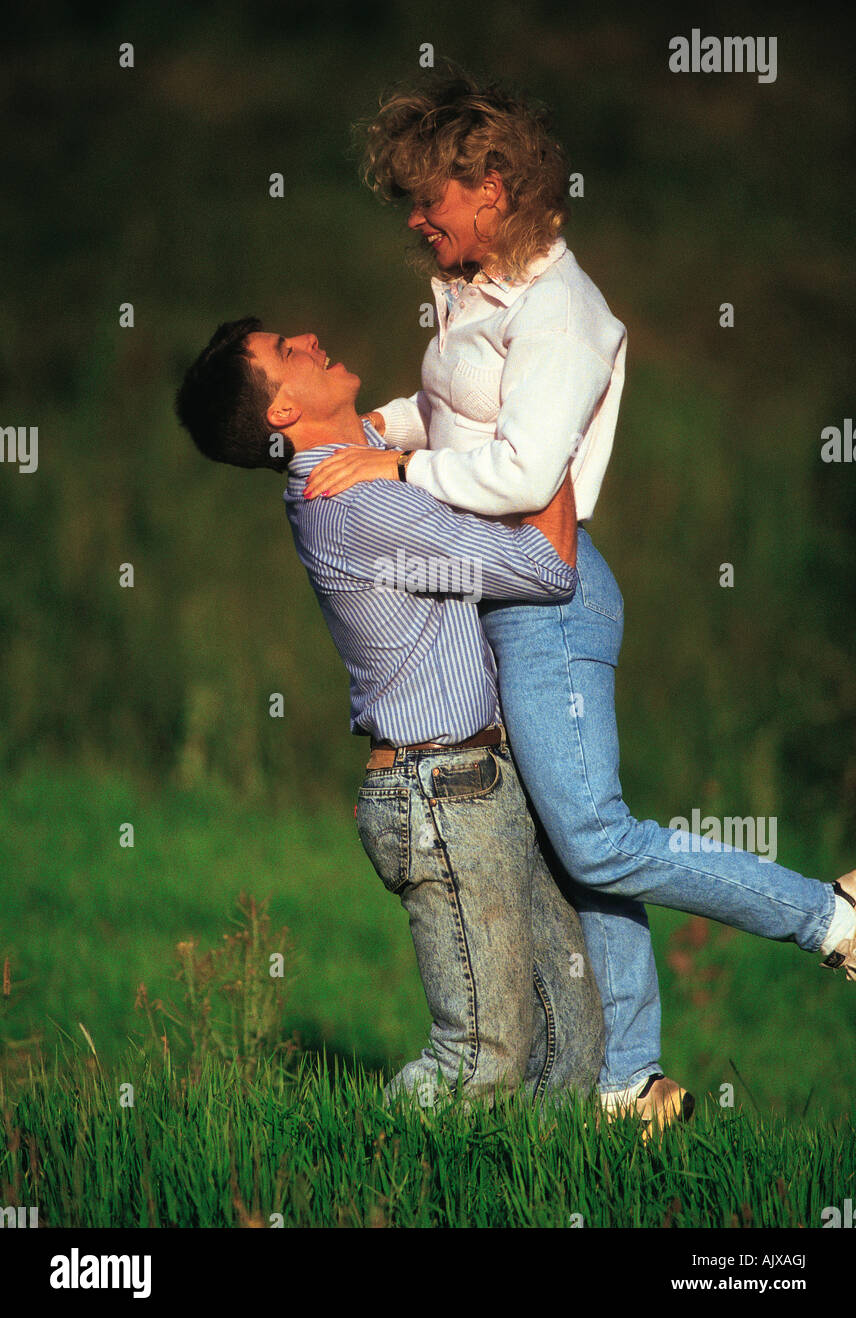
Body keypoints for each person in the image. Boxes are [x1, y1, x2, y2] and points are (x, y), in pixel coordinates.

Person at [303, 71, 856, 1121]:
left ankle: (827, 915)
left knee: (595, 835)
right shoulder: (472, 288)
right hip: (509, 588)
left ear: (495, 184)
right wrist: (368, 434)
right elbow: (442, 410)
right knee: (579, 839)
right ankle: (628, 1080)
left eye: (429, 200)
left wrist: (396, 476)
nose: (414, 221)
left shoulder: (560, 310)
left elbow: (518, 476)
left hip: (551, 597)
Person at [175, 318, 606, 1111]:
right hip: (440, 792)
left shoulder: (349, 462)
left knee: (571, 1043)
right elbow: (544, 570)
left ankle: (545, 1197)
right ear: (280, 414)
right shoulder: (363, 503)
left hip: (476, 780)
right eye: (284, 352)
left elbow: (405, 419)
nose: (308, 335)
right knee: (479, 1060)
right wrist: (554, 437)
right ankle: (361, 1173)